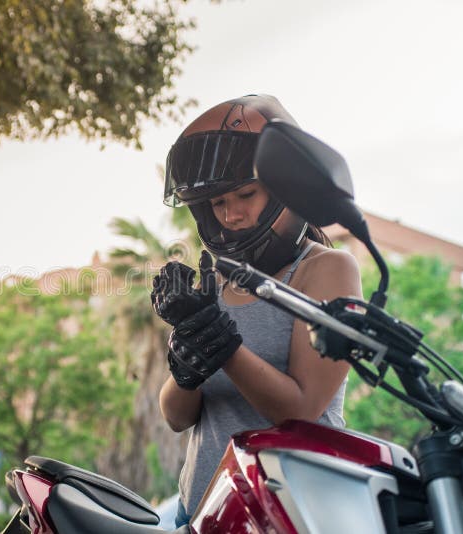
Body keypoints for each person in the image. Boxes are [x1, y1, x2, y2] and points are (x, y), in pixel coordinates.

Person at [151, 94, 363, 526]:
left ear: (287, 189)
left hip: (287, 513)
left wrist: (221, 341)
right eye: (216, 203)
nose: (231, 215)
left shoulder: (324, 269)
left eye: (245, 194)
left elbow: (300, 412)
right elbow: (176, 418)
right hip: (201, 509)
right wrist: (189, 360)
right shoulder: (216, 284)